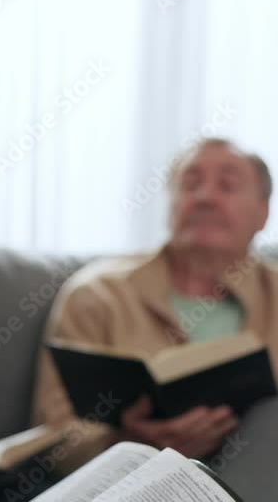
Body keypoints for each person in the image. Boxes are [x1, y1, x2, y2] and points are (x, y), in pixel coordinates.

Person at [32, 138, 278, 480]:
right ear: (170, 204)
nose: (206, 197)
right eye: (190, 184)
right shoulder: (96, 294)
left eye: (228, 185)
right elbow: (52, 441)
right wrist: (124, 443)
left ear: (263, 213)